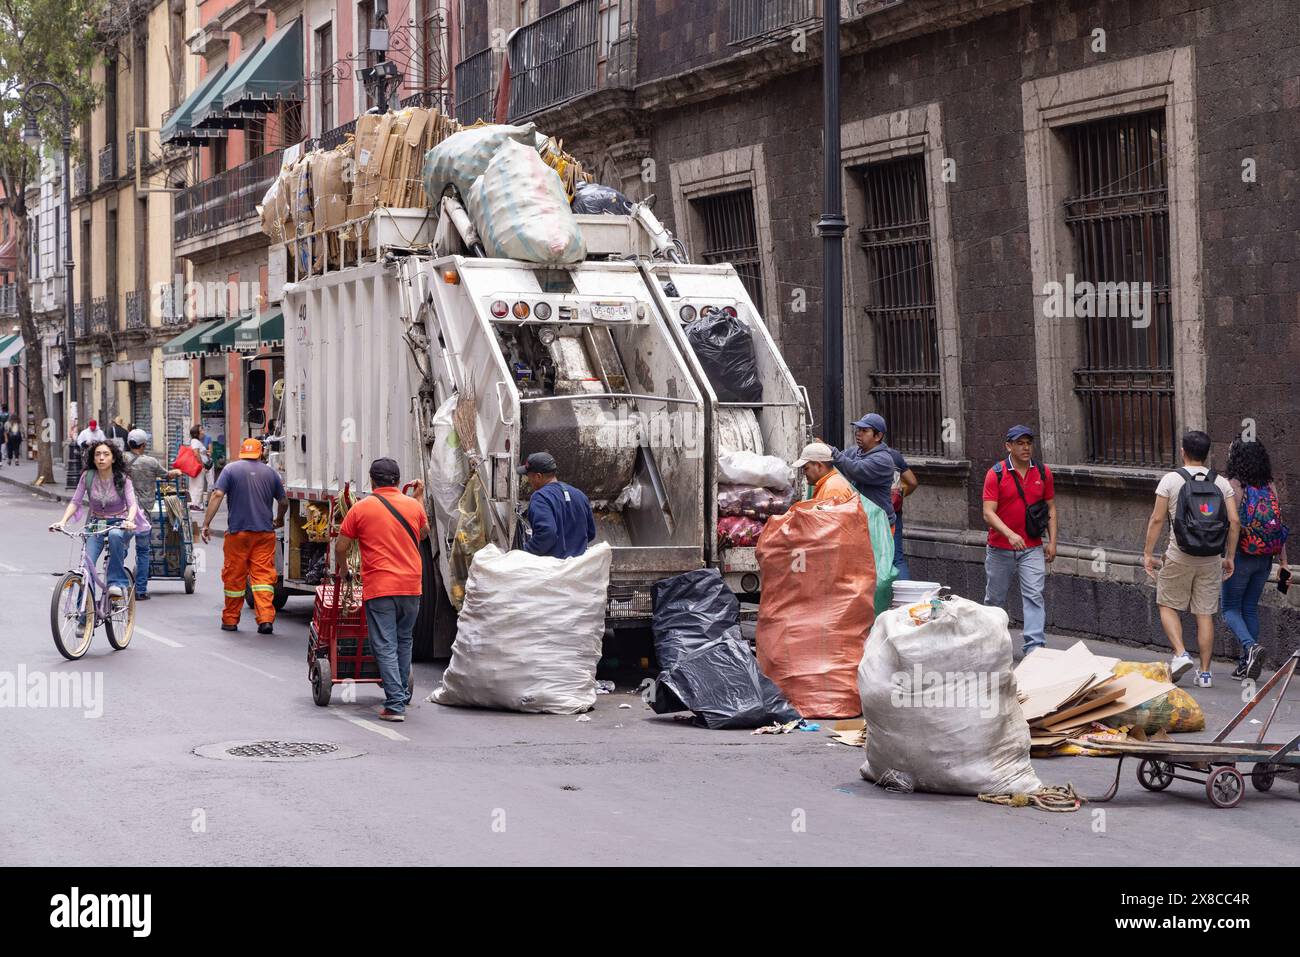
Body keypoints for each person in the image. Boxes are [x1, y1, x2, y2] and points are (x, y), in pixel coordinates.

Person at [1142, 430, 1239, 688]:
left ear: (1183, 451)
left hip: (1179, 554)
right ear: (1207, 454)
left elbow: (1157, 519)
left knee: (1166, 603)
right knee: (1204, 613)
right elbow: (1234, 521)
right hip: (1210, 557)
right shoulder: (1222, 482)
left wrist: (1148, 553)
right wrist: (1229, 556)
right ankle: (1205, 673)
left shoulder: (1171, 480)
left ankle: (1180, 653)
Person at [335, 458, 429, 722]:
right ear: (398, 481)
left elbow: (341, 546)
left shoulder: (361, 509)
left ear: (372, 480)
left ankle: (395, 705)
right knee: (404, 640)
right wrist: (419, 498)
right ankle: (401, 695)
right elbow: (422, 533)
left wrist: (343, 570)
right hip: (412, 586)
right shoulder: (412, 505)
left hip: (381, 587)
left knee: (385, 645)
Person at [981, 425, 1057, 656]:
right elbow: (988, 512)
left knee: (1034, 594)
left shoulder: (1043, 473)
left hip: (1032, 547)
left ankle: (1034, 648)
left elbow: (1051, 507)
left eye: (1028, 443)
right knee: (995, 599)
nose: (1025, 448)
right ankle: (991, 645)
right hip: (999, 548)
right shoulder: (996, 473)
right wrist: (1009, 534)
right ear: (1009, 446)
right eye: (1020, 443)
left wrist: (1053, 541)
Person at [200, 437, 287, 634]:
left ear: (242, 452)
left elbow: (216, 495)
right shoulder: (271, 473)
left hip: (238, 534)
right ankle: (265, 619)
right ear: (260, 453)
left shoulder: (230, 470)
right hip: (264, 534)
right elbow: (283, 501)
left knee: (234, 578)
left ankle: (230, 620)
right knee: (263, 577)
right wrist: (279, 519)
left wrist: (206, 524)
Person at [1220, 438, 1287, 681]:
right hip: (1265, 557)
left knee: (1228, 608)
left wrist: (1228, 557)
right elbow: (1278, 525)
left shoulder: (1232, 485)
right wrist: (1283, 561)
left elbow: (1231, 524)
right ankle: (1244, 666)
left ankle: (1250, 647)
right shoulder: (1270, 485)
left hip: (1240, 555)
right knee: (1249, 607)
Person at [48, 440, 142, 600]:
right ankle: (83, 615)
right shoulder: (88, 476)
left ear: (113, 458)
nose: (101, 458)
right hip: (96, 525)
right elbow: (75, 502)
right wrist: (62, 521)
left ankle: (116, 583)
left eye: (106, 454)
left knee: (114, 535)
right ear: (93, 458)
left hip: (121, 524)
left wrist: (129, 520)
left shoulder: (123, 478)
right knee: (86, 567)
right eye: (97, 454)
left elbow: (132, 504)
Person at [123, 430, 184, 601]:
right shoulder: (150, 462)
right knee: (143, 552)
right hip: (143, 514)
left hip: (124, 513)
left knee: (121, 550)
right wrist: (177, 471)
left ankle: (118, 585)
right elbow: (168, 475)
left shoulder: (121, 459)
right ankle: (140, 590)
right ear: (143, 445)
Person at [517, 451, 595, 559]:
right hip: (578, 569)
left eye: (528, 476)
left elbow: (547, 534)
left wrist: (523, 554)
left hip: (553, 571)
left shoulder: (540, 498)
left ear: (538, 476)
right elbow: (590, 532)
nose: (528, 480)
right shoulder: (579, 495)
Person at [830, 413, 897, 529]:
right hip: (862, 520)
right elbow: (840, 462)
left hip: (879, 523)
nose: (858, 433)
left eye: (864, 431)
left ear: (878, 436)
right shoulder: (855, 451)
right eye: (858, 429)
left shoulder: (883, 460)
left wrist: (832, 452)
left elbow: (855, 469)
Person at [188, 424, 212, 509]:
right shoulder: (195, 441)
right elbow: (196, 454)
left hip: (199, 467)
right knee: (198, 485)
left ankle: (198, 504)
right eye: (201, 430)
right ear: (196, 433)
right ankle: (196, 504)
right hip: (198, 467)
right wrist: (202, 465)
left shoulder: (197, 441)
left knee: (199, 485)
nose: (203, 432)